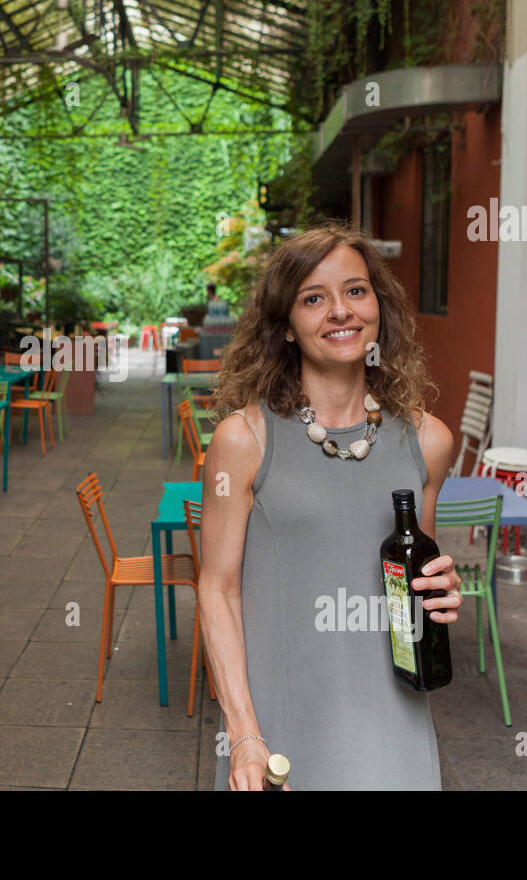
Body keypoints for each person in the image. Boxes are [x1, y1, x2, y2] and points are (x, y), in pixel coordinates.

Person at [199, 223, 462, 791]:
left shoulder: (428, 441)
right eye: (313, 299)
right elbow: (217, 590)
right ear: (285, 326)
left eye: (356, 290)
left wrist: (441, 589)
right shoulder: (243, 441)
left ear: (378, 306)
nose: (341, 311)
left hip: (394, 715)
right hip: (281, 720)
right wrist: (243, 733)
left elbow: (414, 579)